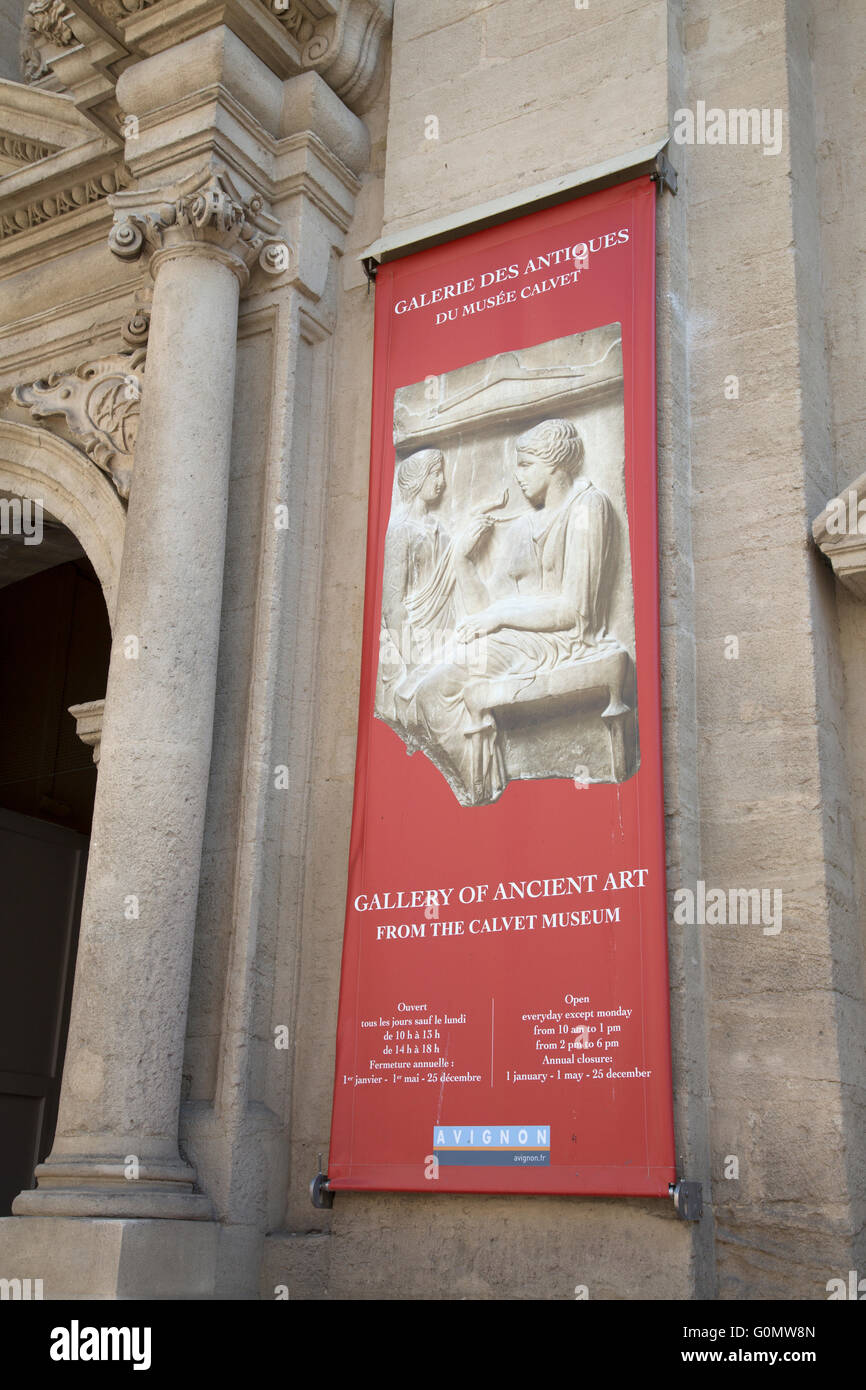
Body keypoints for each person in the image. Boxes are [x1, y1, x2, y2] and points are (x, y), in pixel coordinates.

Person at [409, 418, 622, 805]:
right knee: (420, 689)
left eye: (526, 464)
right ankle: (485, 783)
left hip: (558, 640)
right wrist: (463, 558)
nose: (517, 475)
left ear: (555, 463)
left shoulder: (588, 508)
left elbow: (575, 611)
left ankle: (485, 789)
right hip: (519, 636)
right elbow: (485, 611)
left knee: (435, 693)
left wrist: (501, 617)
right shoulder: (527, 523)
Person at [376, 448, 455, 728]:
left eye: (441, 473)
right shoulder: (401, 530)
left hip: (446, 629)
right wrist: (413, 661)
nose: (441, 481)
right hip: (416, 637)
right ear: (418, 479)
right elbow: (392, 606)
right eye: (435, 473)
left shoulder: (438, 527)